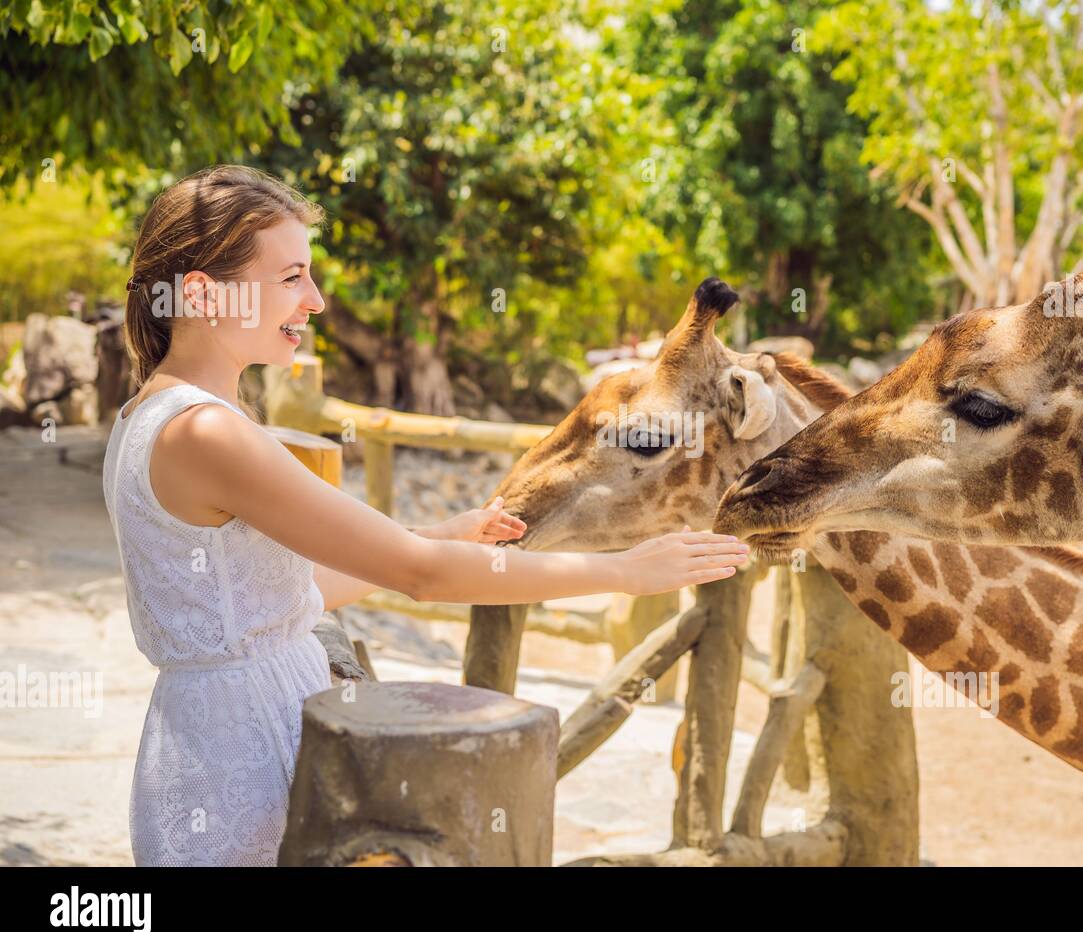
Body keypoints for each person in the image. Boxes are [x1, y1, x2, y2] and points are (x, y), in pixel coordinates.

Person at [104, 165, 747, 865]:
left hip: (213, 746)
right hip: (241, 768)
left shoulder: (154, 413)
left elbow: (283, 598)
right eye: (291, 277)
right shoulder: (207, 433)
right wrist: (622, 571)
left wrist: (438, 531)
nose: (315, 301)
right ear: (201, 293)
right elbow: (423, 577)